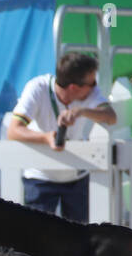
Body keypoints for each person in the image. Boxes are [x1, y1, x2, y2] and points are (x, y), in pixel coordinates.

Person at [6, 53, 117, 222]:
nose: (95, 87)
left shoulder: (90, 93)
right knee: (40, 239)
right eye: (92, 83)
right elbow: (13, 131)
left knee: (79, 239)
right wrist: (46, 138)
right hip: (40, 177)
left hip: (77, 178)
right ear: (73, 88)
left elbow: (111, 116)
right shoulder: (38, 88)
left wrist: (81, 112)